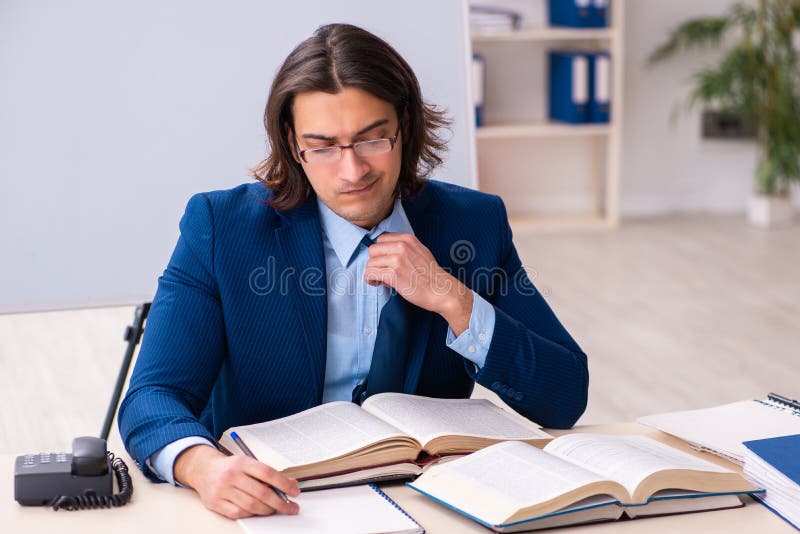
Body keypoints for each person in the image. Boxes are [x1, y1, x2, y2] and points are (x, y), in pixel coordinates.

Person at [118, 23, 588, 520]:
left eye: (372, 139)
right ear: (292, 144)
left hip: (430, 506)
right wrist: (201, 466)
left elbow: (564, 396)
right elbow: (153, 395)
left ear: (405, 126)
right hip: (278, 507)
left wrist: (455, 301)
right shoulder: (221, 227)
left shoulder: (473, 223)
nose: (352, 171)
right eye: (322, 147)